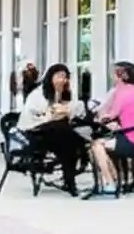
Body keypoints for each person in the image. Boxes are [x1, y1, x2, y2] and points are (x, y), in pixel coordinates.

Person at [85, 61, 134, 198]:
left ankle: (110, 184)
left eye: (113, 74)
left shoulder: (121, 92)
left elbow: (109, 115)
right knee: (111, 143)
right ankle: (121, 180)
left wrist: (100, 118)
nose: (112, 77)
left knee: (96, 145)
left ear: (121, 76)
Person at [19, 63, 85, 195]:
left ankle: (70, 180)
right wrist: (52, 113)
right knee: (64, 133)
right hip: (36, 131)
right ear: (51, 77)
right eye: (60, 76)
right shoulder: (38, 94)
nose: (63, 80)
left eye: (65, 77)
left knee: (66, 142)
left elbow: (75, 110)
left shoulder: (65, 94)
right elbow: (35, 115)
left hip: (58, 134)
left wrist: (66, 111)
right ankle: (71, 178)